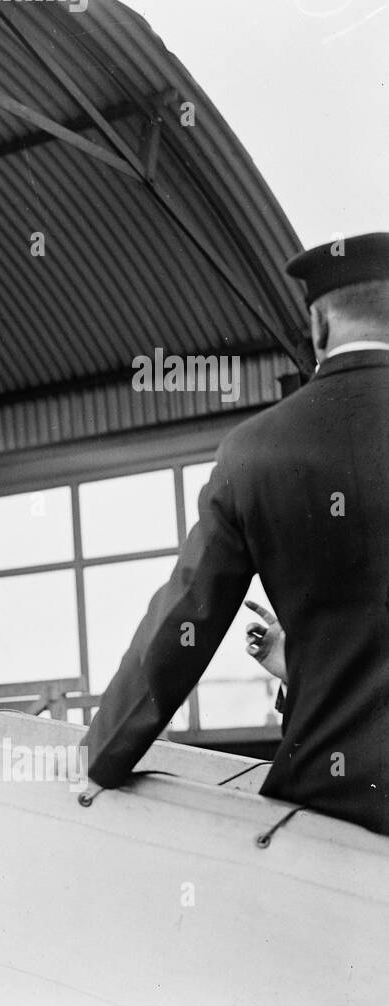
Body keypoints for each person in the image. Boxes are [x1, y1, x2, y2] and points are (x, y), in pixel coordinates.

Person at [82, 232, 389, 835]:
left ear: (319, 325)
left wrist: (100, 758)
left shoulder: (253, 451)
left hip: (330, 803)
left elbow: (182, 620)